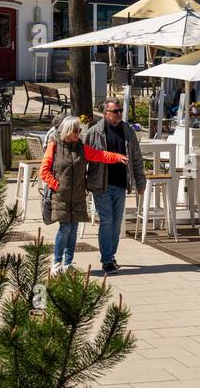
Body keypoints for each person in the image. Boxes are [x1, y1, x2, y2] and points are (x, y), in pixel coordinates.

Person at [39, 115, 128, 274]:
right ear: (66, 131)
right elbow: (44, 172)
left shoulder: (82, 148)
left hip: (78, 196)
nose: (78, 133)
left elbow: (100, 155)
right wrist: (57, 186)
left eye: (79, 130)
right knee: (65, 228)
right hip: (61, 197)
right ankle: (57, 263)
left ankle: (68, 263)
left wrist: (117, 157)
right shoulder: (55, 147)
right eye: (75, 130)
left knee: (73, 230)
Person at [85, 98, 147, 273]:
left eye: (120, 111)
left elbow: (136, 158)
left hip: (120, 184)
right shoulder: (94, 133)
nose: (119, 114)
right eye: (116, 111)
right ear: (106, 114)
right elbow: (84, 157)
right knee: (106, 220)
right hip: (100, 183)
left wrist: (140, 181)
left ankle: (110, 255)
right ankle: (106, 260)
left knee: (116, 223)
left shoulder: (127, 131)